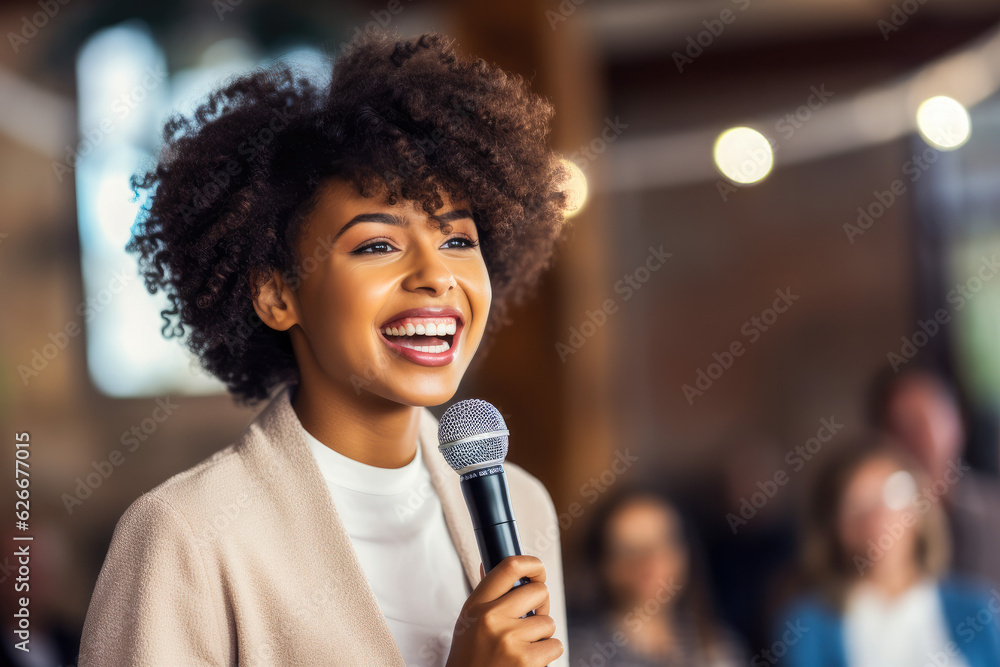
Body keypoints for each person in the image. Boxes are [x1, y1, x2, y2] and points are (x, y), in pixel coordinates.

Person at [78, 29, 573, 666]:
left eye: (457, 240)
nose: (436, 276)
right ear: (276, 295)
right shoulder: (186, 536)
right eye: (376, 245)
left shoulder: (523, 503)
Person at [773, 437, 1000, 667]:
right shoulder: (807, 625)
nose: (878, 519)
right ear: (833, 528)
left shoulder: (977, 611)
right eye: (856, 506)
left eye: (892, 497)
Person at [569, 485, 747, 666]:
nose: (648, 563)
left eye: (662, 544)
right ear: (602, 564)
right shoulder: (577, 652)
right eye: (627, 550)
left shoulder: (718, 647)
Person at [868, 363, 1000, 590]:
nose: (915, 441)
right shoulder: (870, 528)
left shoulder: (993, 511)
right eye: (899, 428)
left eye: (923, 422)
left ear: (959, 423)